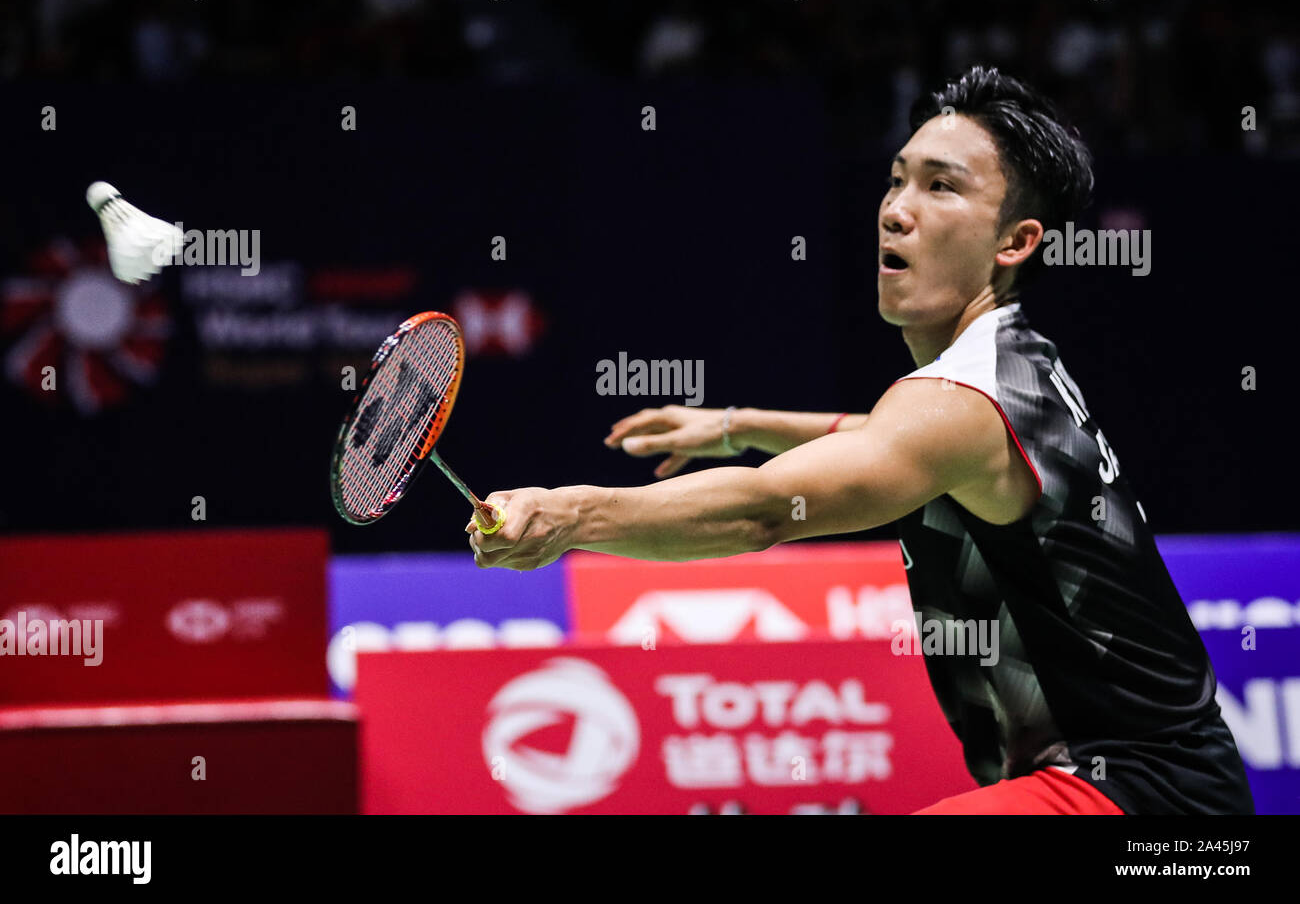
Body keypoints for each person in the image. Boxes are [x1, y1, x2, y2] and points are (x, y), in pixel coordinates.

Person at [465, 65, 1254, 815]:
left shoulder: (963, 401)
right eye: (897, 177)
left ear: (1014, 243)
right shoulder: (1008, 370)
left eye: (941, 186)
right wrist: (738, 427)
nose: (895, 208)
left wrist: (573, 516)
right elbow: (885, 443)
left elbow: (764, 513)